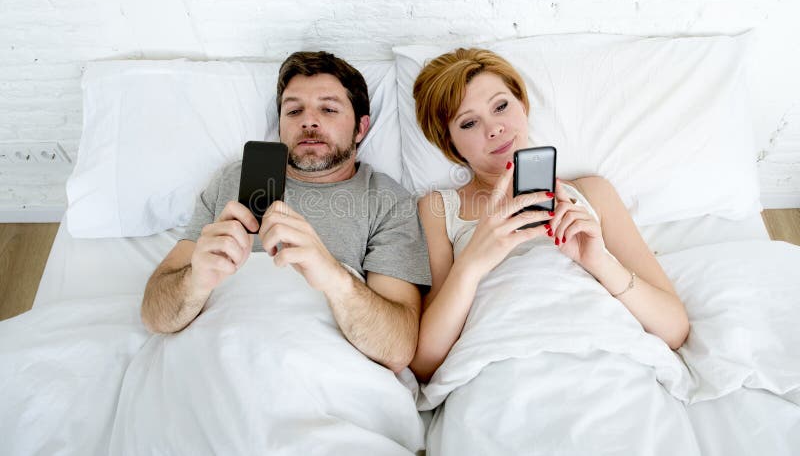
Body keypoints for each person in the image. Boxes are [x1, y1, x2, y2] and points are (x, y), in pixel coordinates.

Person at [408, 48, 690, 382]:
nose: (494, 128)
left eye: (501, 106)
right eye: (469, 123)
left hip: (609, 361)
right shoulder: (439, 210)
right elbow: (425, 364)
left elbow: (674, 329)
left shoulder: (592, 193)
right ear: (450, 144)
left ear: (523, 106)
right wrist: (472, 263)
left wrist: (600, 263)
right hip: (502, 373)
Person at [141, 50, 431, 373]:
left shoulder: (386, 200)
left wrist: (334, 277)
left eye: (328, 109)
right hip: (213, 362)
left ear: (361, 128)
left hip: (318, 370)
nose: (308, 120)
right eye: (293, 110)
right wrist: (195, 280)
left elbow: (399, 348)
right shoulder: (233, 180)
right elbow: (154, 315)